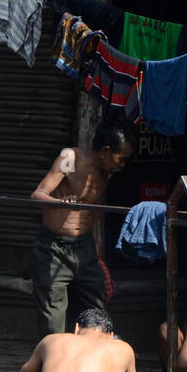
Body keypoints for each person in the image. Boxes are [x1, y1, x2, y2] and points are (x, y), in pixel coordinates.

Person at [30, 117, 135, 338]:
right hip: (54, 248)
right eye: (120, 158)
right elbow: (38, 195)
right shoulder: (71, 159)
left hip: (85, 248)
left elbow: (93, 211)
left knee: (97, 310)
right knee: (53, 317)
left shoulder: (106, 173)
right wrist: (60, 203)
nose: (122, 165)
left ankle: (96, 366)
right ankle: (53, 366)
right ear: (106, 150)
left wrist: (97, 255)